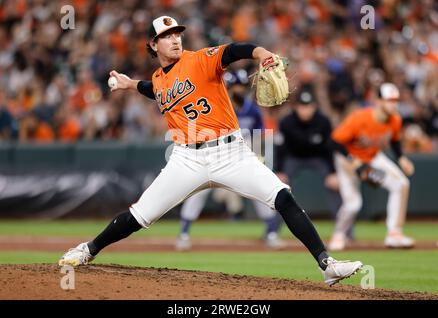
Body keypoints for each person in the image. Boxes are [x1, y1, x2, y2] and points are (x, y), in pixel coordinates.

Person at [58, 15, 362, 286]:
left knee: (282, 196)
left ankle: (327, 265)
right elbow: (154, 89)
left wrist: (263, 54)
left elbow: (234, 50)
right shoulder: (158, 79)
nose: (175, 38)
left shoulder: (201, 58)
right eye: (166, 35)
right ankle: (88, 250)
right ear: (153, 44)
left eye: (177, 33)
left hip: (231, 153)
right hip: (186, 158)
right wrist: (129, 84)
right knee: (139, 216)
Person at [176, 69, 284, 251]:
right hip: (215, 154)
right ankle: (184, 234)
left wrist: (256, 158)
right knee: (197, 192)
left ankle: (271, 232)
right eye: (235, 86)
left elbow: (258, 137)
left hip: (241, 156)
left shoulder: (252, 110)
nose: (239, 90)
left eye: (241, 86)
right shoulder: (216, 106)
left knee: (260, 189)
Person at [328, 83, 415, 251]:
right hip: (347, 160)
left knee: (401, 184)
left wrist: (401, 158)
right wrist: (354, 162)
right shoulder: (359, 118)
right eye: (389, 100)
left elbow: (395, 140)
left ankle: (394, 234)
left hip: (373, 157)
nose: (393, 104)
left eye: (396, 100)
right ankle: (339, 234)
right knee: (353, 204)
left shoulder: (395, 120)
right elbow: (334, 142)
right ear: (378, 101)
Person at [274, 86, 343, 220]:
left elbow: (329, 148)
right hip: (293, 158)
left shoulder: (323, 122)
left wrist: (333, 172)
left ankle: (344, 232)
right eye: (302, 106)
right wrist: (279, 170)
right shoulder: (286, 122)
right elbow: (280, 148)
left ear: (314, 107)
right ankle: (271, 231)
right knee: (279, 188)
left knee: (335, 185)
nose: (305, 110)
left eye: (308, 106)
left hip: (318, 158)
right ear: (296, 107)